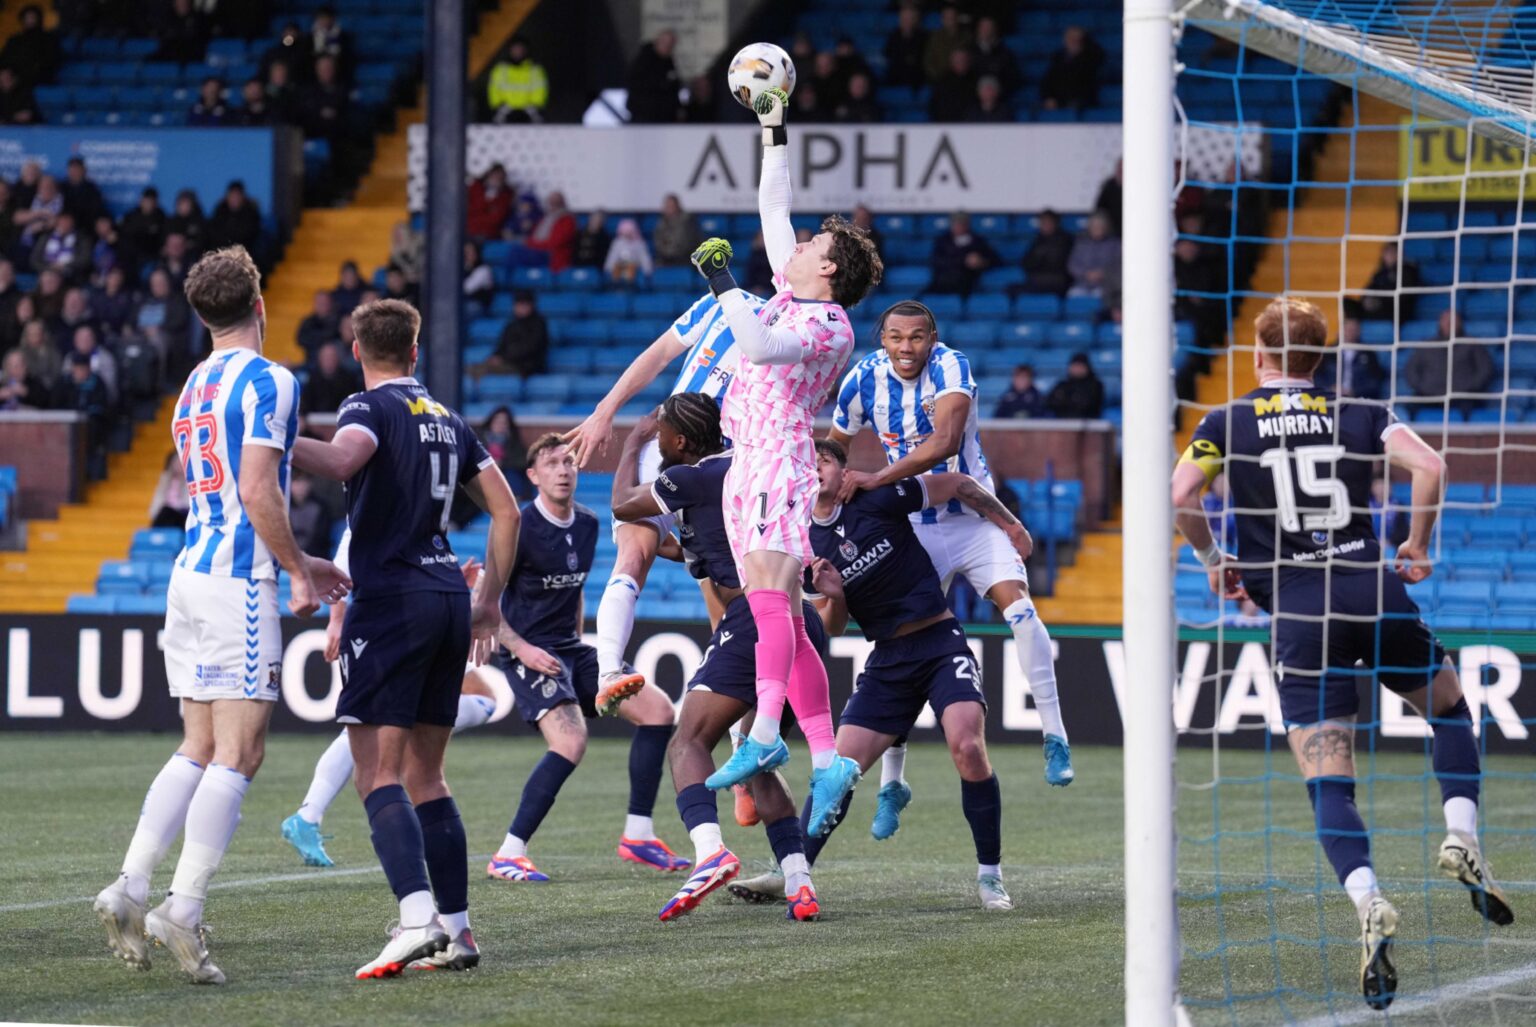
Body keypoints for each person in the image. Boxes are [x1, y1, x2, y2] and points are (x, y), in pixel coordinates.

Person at [1171, 297, 1514, 1012]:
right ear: (1320, 360)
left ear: (1258, 357)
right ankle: (1460, 833)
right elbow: (1430, 464)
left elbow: (1180, 494)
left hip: (1299, 618)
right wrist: (1415, 543)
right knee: (1449, 709)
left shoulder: (1223, 423)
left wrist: (1211, 556)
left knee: (1330, 776)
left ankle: (1368, 900)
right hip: (1373, 594)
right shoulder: (1360, 410)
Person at [92, 246, 350, 985]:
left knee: (198, 743)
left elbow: (231, 496)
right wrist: (297, 569)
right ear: (261, 304)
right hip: (239, 582)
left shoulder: (192, 386)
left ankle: (132, 884)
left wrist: (304, 561)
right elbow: (260, 489)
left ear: (202, 317)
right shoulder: (271, 378)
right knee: (240, 754)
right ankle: (185, 905)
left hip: (190, 574)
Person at [290, 298, 518, 978]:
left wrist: (272, 439)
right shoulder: (449, 419)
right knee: (426, 774)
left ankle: (415, 917)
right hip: (450, 595)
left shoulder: (367, 409)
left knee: (377, 774)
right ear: (415, 352)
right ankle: (457, 929)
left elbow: (340, 461)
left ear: (358, 351)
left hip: (391, 599)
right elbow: (507, 512)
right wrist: (489, 603)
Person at [684, 86, 883, 838]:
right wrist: (774, 129)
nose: (795, 247)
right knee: (785, 616)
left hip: (779, 462)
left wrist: (722, 283)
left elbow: (759, 347)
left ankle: (767, 728)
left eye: (809, 249)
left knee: (768, 599)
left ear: (828, 273)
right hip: (747, 462)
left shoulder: (829, 324)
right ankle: (828, 754)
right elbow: (776, 208)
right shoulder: (791, 293)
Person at [730, 440, 1028, 911]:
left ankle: (990, 876)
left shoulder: (877, 498)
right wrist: (837, 594)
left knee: (967, 745)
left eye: (824, 460)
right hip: (888, 661)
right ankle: (793, 871)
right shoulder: (801, 544)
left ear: (843, 470)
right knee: (836, 773)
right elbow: (831, 626)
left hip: (938, 640)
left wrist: (1008, 524)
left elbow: (957, 484)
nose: (816, 469)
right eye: (809, 464)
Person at [830, 301, 1073, 785]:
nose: (906, 347)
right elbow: (834, 450)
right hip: (914, 526)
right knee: (899, 639)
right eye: (896, 337)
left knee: (1021, 613)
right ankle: (892, 781)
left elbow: (945, 442)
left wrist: (876, 479)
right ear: (883, 339)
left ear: (932, 337)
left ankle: (1055, 736)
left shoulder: (950, 365)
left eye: (916, 337)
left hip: (973, 517)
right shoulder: (862, 379)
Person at [609, 398, 825, 922]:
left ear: (680, 442)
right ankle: (799, 882)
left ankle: (709, 853)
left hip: (754, 618)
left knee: (688, 741)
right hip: (801, 619)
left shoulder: (690, 476)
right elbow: (702, 544)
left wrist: (631, 442)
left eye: (662, 431)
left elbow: (621, 504)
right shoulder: (743, 468)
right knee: (755, 756)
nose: (658, 437)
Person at [485, 434, 689, 884]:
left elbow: (574, 592)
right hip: (527, 650)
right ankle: (508, 852)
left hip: (570, 649)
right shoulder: (517, 527)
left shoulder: (588, 522)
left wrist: (582, 646)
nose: (563, 470)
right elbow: (485, 603)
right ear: (534, 476)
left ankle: (638, 835)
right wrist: (521, 649)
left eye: (570, 462)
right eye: (552, 464)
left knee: (658, 711)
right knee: (571, 743)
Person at [280, 548, 501, 868]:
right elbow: (344, 559)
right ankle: (310, 815)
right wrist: (337, 621)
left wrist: (449, 580)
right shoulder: (377, 502)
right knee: (372, 726)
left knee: (477, 700)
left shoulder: (413, 506)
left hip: (420, 614)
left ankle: (308, 815)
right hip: (392, 623)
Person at [1404, 310, 1494, 416]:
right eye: (1445, 321)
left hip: (1463, 397)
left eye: (1453, 321)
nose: (1449, 324)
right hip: (1429, 395)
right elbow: (1410, 370)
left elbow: (1485, 369)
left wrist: (1468, 388)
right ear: (1440, 323)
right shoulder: (1427, 346)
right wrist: (1424, 387)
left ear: (1460, 323)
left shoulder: (1472, 345)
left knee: (1470, 409)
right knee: (1409, 409)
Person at [473, 289, 548, 379]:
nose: (520, 308)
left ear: (531, 305)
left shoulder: (538, 325)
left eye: (523, 304)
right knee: (470, 368)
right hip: (507, 363)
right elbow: (501, 345)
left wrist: (503, 358)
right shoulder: (512, 325)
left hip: (525, 368)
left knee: (484, 370)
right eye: (518, 304)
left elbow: (530, 349)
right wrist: (494, 356)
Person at [928, 211, 998, 296]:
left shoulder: (977, 241)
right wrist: (963, 260)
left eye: (962, 224)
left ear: (967, 224)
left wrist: (981, 262)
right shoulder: (943, 241)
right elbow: (936, 260)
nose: (959, 227)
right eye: (956, 224)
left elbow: (995, 260)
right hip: (944, 281)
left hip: (968, 284)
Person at [1352, 242, 1420, 323]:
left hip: (1397, 310)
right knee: (1348, 304)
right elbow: (1369, 288)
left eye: (1392, 251)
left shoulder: (1408, 271)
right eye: (1387, 251)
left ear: (1400, 254)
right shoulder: (1380, 273)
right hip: (1378, 307)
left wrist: (1379, 302)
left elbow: (1404, 296)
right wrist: (1367, 300)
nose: (1389, 255)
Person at [1041, 26, 1104, 110]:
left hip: (1080, 102)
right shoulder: (1057, 58)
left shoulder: (1090, 59)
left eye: (1076, 39)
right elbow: (1048, 81)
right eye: (1069, 38)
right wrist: (1048, 97)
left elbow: (1087, 86)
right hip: (1058, 100)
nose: (1072, 41)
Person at [487, 36, 548, 123]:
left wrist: (535, 107)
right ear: (509, 50)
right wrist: (498, 106)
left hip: (530, 114)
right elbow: (494, 90)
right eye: (515, 49)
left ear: (526, 50)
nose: (518, 52)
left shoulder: (535, 70)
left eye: (520, 49)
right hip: (504, 113)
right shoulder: (500, 69)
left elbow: (540, 91)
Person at [626, 30, 681, 123]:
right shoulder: (643, 61)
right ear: (657, 42)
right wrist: (662, 84)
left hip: (664, 118)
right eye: (664, 43)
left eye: (670, 45)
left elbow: (673, 87)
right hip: (643, 115)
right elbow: (636, 83)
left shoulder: (668, 63)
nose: (667, 47)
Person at [1016, 210, 1073, 296]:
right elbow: (1026, 263)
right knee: (1011, 289)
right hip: (1038, 279)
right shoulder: (1038, 240)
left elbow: (1063, 265)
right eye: (1042, 223)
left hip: (1058, 281)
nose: (1045, 225)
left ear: (1056, 223)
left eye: (1048, 222)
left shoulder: (1065, 240)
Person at [521, 190, 576, 273]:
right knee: (514, 250)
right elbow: (533, 236)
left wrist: (530, 243)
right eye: (551, 201)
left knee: (517, 253)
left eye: (555, 202)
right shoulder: (545, 218)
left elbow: (554, 243)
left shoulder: (567, 220)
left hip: (551, 255)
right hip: (538, 251)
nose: (552, 204)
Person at [1067, 211, 1119, 296]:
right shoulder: (1082, 244)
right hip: (1083, 283)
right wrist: (1086, 274)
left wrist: (1103, 273)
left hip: (1106, 284)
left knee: (1101, 295)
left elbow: (1119, 265)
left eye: (1100, 227)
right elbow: (1072, 265)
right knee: (1074, 294)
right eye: (1094, 227)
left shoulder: (1115, 244)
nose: (1097, 229)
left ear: (1106, 228)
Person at [301, 342, 361, 414]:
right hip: (316, 421)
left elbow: (351, 405)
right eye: (326, 357)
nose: (329, 361)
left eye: (332, 357)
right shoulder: (313, 379)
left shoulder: (348, 379)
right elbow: (305, 403)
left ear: (337, 359)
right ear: (320, 359)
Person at [205, 182, 262, 257]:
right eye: (232, 195)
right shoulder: (220, 212)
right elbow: (214, 235)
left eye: (237, 196)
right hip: (222, 254)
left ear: (243, 197)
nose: (235, 199)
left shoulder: (251, 214)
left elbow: (250, 236)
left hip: (246, 255)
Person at [119, 187, 167, 278]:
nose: (148, 204)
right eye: (146, 200)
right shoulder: (131, 216)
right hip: (131, 256)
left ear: (156, 202)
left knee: (148, 273)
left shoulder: (161, 217)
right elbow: (125, 236)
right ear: (141, 200)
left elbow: (162, 239)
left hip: (152, 257)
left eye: (151, 201)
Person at [924, 3, 974, 83]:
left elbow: (971, 58)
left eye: (952, 17)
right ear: (942, 19)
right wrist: (937, 76)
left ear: (957, 18)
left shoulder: (967, 36)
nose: (950, 20)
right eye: (947, 17)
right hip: (940, 78)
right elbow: (929, 61)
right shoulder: (935, 37)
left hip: (963, 78)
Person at [1046, 352, 1106, 419]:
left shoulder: (1095, 385)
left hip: (1088, 424)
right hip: (1062, 423)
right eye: (1074, 365)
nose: (1077, 369)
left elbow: (1087, 405)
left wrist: (1065, 401)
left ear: (1087, 367)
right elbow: (1049, 403)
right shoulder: (1062, 384)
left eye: (1080, 366)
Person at [884, 2, 928, 90]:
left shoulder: (923, 37)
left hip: (916, 74)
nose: (907, 21)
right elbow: (887, 53)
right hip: (897, 73)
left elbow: (924, 57)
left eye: (910, 18)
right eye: (904, 18)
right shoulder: (894, 35)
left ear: (915, 20)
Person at [466, 164, 513, 241]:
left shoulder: (505, 195)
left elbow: (496, 218)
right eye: (493, 176)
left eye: (499, 178)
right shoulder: (475, 188)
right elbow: (469, 210)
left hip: (489, 234)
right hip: (469, 230)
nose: (495, 180)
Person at [929, 48, 977, 122]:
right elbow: (937, 105)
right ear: (951, 63)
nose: (961, 63)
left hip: (971, 123)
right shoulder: (943, 82)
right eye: (958, 61)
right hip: (948, 123)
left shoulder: (975, 80)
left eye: (963, 60)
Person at [147, 450, 191, 528]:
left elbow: (188, 503)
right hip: (166, 514)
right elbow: (157, 501)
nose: (178, 465)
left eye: (180, 462)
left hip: (183, 515)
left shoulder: (190, 480)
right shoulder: (165, 479)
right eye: (176, 462)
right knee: (165, 512)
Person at [652, 193, 698, 266]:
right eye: (667, 206)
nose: (669, 209)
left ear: (677, 206)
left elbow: (687, 243)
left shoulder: (687, 222)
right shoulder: (661, 223)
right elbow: (658, 242)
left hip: (683, 258)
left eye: (671, 206)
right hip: (665, 258)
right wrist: (666, 252)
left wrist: (673, 252)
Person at [604, 217, 653, 283]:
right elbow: (612, 256)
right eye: (625, 232)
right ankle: (616, 287)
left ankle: (629, 286)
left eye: (630, 232)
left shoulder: (639, 243)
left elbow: (644, 258)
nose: (627, 234)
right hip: (619, 267)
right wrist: (608, 268)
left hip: (635, 268)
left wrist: (647, 270)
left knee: (630, 268)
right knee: (617, 269)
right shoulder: (617, 243)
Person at [297, 290, 339, 366]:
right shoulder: (307, 321)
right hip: (311, 361)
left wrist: (313, 337)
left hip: (334, 363)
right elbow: (300, 340)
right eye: (319, 303)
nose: (321, 305)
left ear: (330, 303)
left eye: (324, 303)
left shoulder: (338, 321)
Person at [61, 157, 105, 228]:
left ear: (84, 171)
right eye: (72, 169)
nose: (74, 172)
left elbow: (96, 210)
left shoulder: (92, 189)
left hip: (86, 225)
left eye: (77, 169)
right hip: (64, 225)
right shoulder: (61, 187)